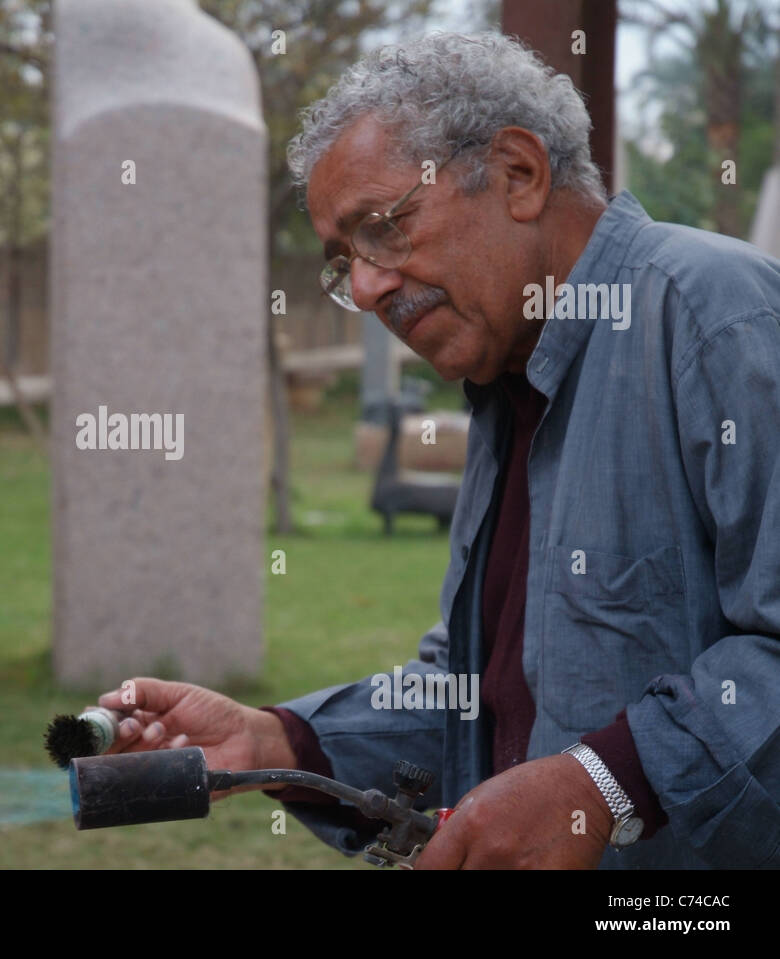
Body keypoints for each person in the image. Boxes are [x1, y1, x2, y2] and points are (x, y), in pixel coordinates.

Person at [96, 32, 780, 869]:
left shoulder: (718, 318)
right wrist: (280, 740)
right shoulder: (509, 379)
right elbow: (479, 696)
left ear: (519, 174)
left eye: (383, 228)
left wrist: (600, 784)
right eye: (343, 260)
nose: (369, 286)